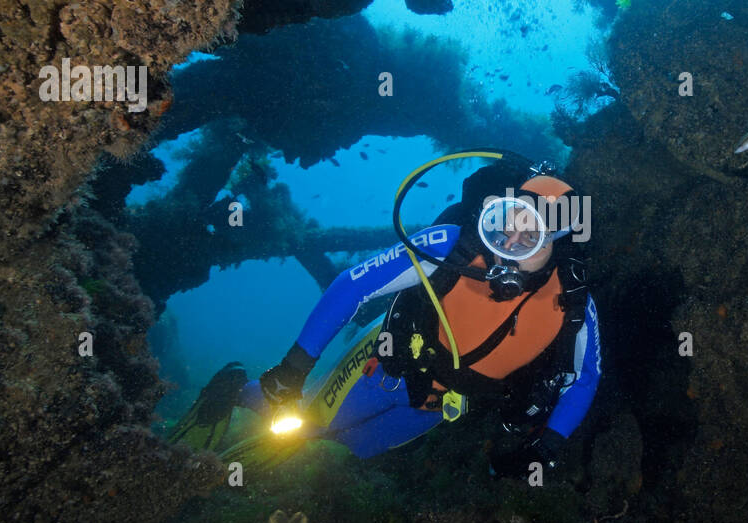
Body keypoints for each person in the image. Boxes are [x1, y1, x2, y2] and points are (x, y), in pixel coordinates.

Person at [238, 156, 600, 477]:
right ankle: (237, 391)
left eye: (531, 236)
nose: (508, 244)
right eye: (507, 223)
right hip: (383, 370)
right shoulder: (454, 245)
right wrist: (294, 367)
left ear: (558, 243)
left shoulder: (573, 302)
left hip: (437, 407)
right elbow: (353, 285)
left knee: (359, 449)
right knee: (306, 423)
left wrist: (548, 446)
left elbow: (585, 378)